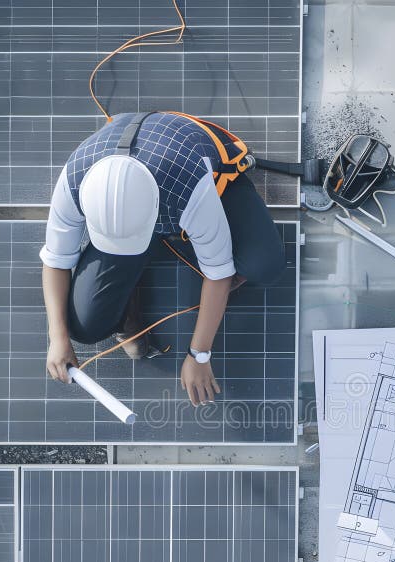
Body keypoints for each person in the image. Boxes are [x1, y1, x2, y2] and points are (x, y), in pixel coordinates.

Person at [40, 111, 286, 406]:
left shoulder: (192, 189)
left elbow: (218, 273)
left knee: (264, 265)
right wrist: (57, 338)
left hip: (193, 165)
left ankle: (150, 251)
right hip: (145, 190)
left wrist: (199, 354)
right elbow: (55, 260)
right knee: (82, 326)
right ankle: (129, 293)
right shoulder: (74, 180)